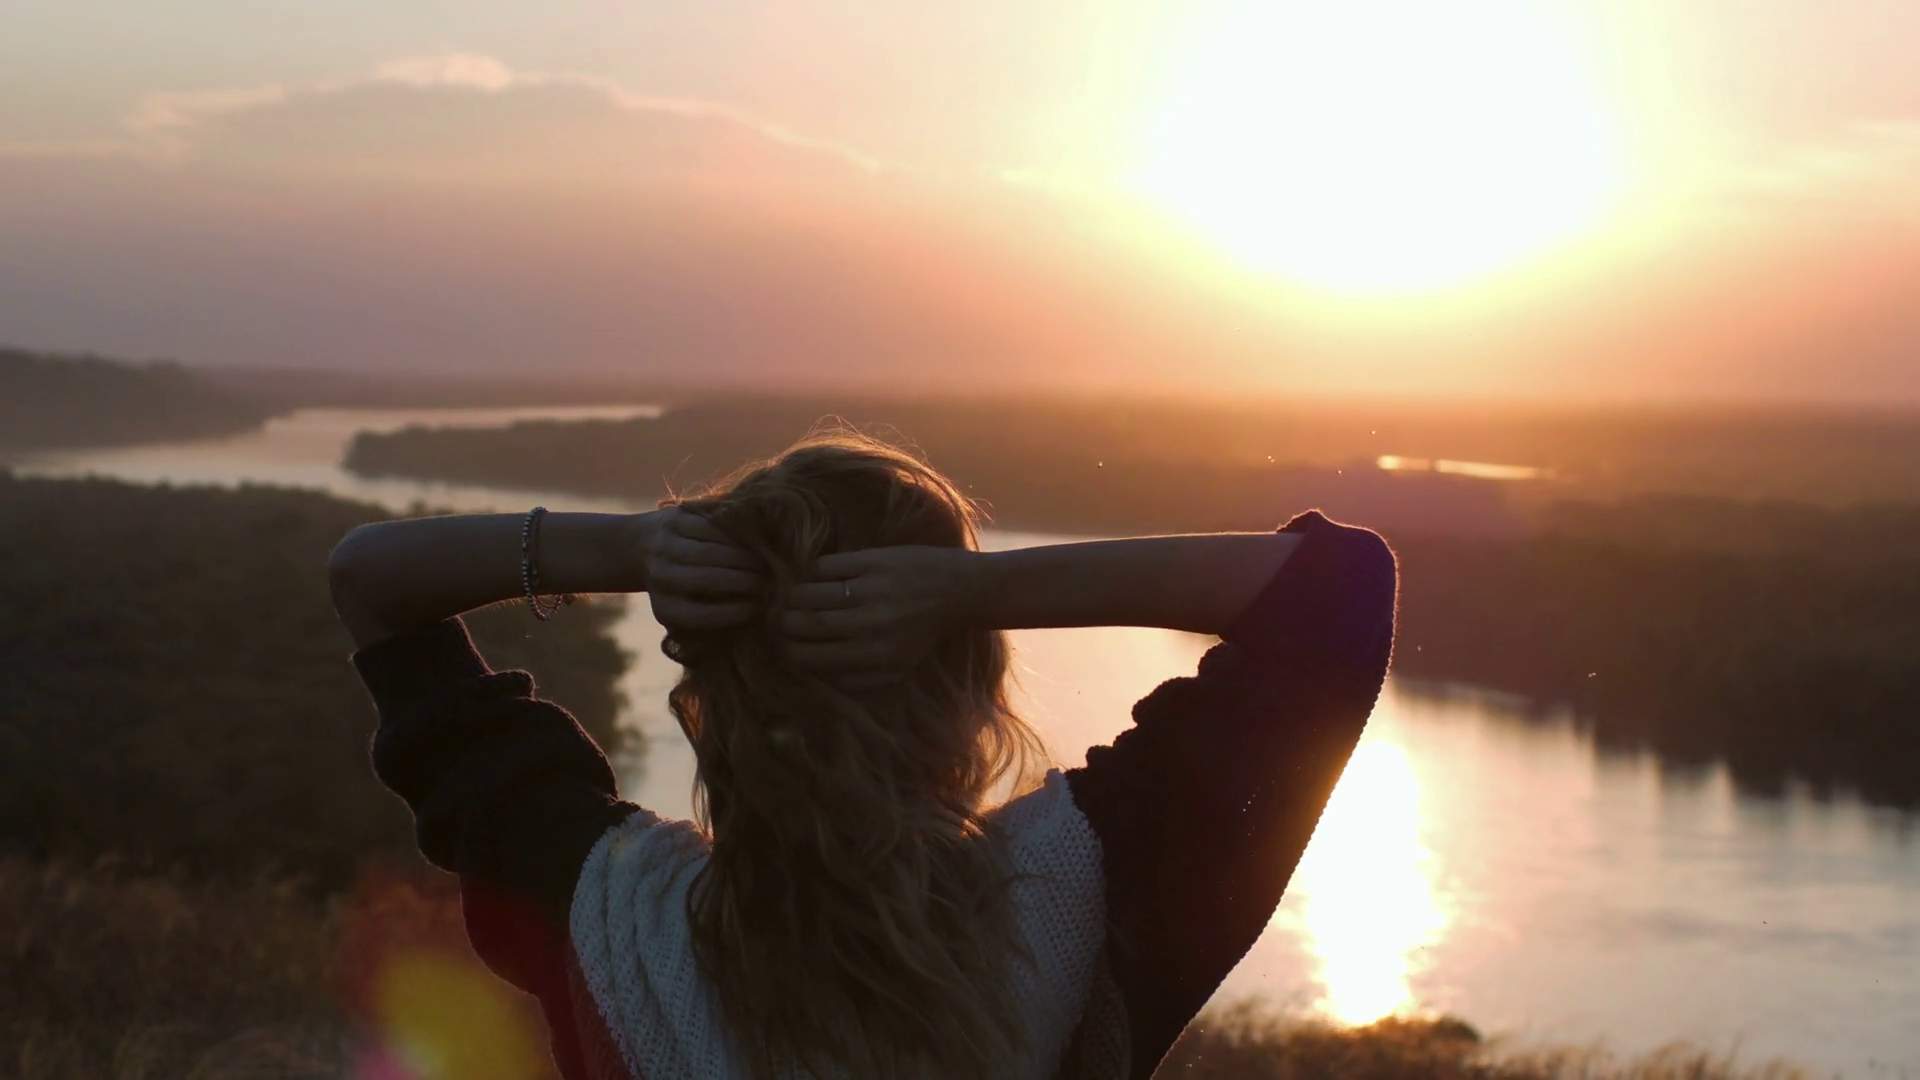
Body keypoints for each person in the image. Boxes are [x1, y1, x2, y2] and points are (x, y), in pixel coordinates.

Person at [327, 430, 1397, 1080]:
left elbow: (371, 582)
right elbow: (1336, 593)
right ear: (970, 675)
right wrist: (982, 591)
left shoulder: (601, 910)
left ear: (711, 685)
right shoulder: (1091, 890)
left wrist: (631, 548)